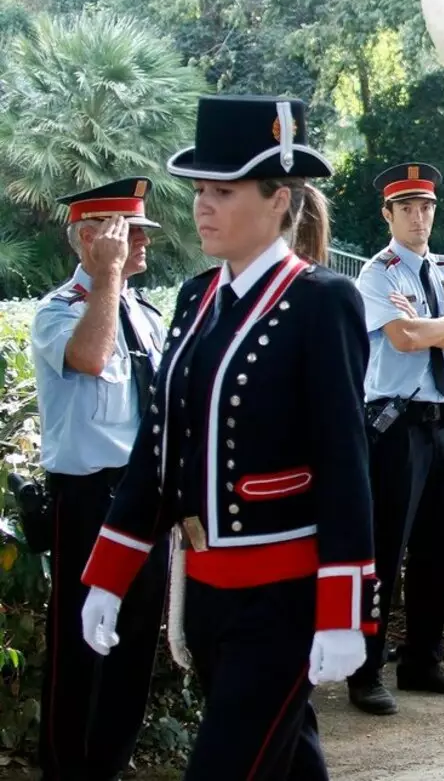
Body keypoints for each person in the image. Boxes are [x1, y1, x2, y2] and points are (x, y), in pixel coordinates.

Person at [77, 94, 379, 780]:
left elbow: (344, 463)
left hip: (283, 602)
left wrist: (343, 609)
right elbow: (158, 448)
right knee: (288, 763)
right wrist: (109, 574)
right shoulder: (194, 296)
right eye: (200, 190)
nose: (202, 206)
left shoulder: (322, 302)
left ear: (279, 200)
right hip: (209, 596)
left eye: (223, 190)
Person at [30, 178, 169, 781]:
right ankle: (67, 770)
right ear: (88, 238)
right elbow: (89, 357)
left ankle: (108, 765)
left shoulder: (144, 312)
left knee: (135, 642)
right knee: (79, 647)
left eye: (140, 232)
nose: (141, 244)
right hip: (89, 502)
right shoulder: (58, 311)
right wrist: (106, 277)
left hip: (145, 495)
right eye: (127, 233)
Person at [346, 161, 444, 715]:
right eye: (407, 207)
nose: (418, 216)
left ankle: (422, 662)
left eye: (426, 206)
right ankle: (365, 672)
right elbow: (403, 339)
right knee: (384, 551)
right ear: (388, 214)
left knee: (435, 549)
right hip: (397, 429)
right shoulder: (377, 274)